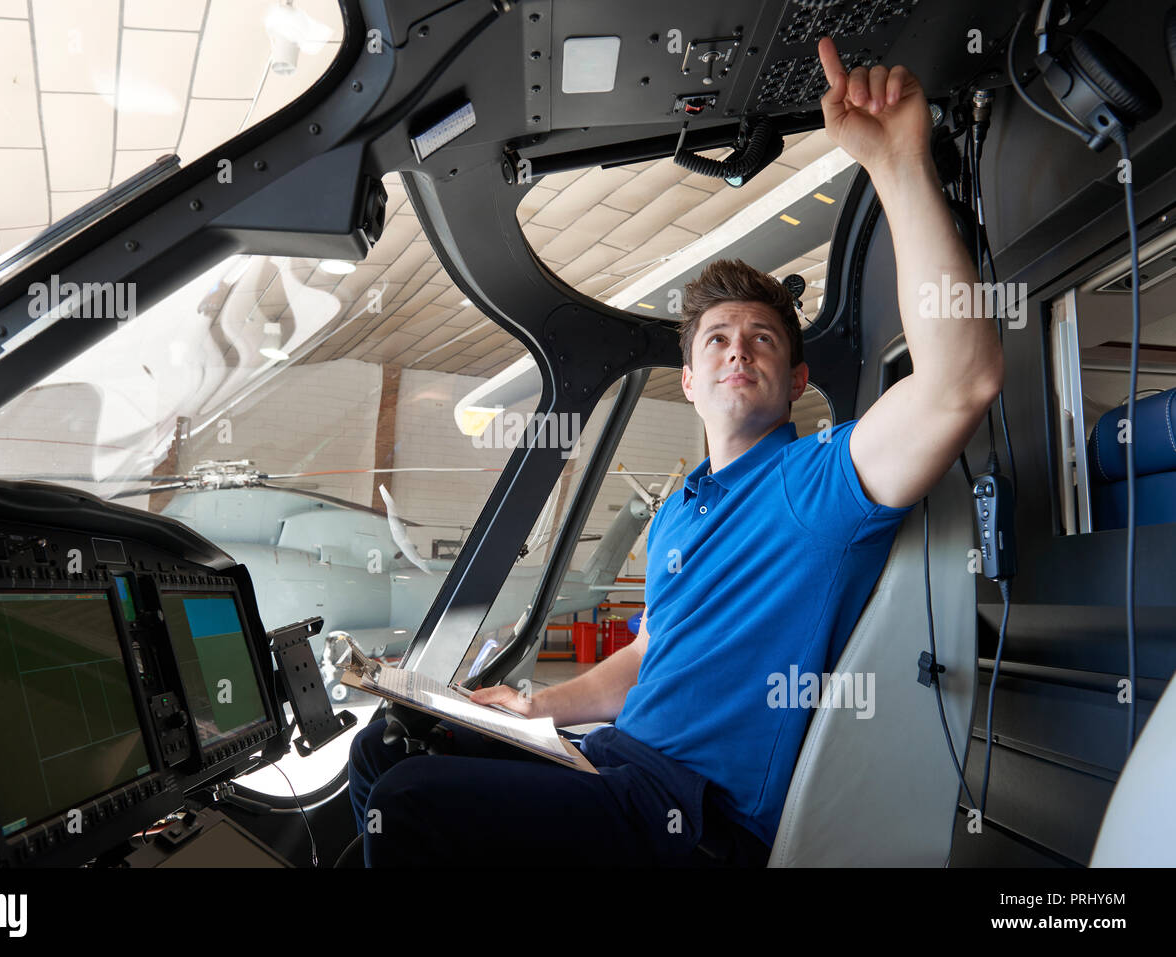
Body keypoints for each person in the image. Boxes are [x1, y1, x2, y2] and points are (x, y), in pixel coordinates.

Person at [346, 36, 1003, 866]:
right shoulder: (682, 509)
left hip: (691, 817)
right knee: (386, 749)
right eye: (718, 340)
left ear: (796, 377)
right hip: (614, 764)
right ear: (688, 380)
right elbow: (651, 653)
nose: (738, 350)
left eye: (762, 339)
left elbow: (961, 382)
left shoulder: (818, 482)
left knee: (410, 802)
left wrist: (898, 160)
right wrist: (534, 708)